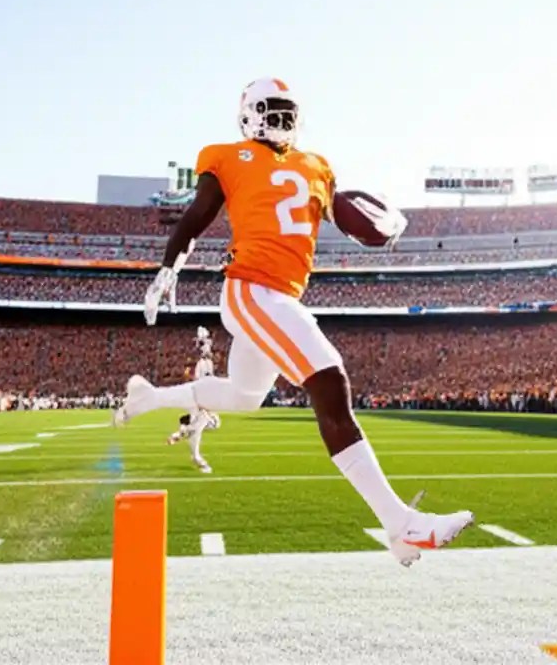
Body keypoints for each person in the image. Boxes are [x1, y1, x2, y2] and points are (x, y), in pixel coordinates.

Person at [113, 77, 473, 566]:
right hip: (251, 288)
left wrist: (388, 225)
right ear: (248, 113)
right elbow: (196, 216)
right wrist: (167, 268)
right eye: (271, 108)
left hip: (280, 295)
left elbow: (351, 219)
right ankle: (400, 525)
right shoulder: (227, 157)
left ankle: (150, 397)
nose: (282, 117)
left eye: (288, 109)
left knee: (245, 395)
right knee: (330, 381)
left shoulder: (317, 166)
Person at [168, 326, 220, 473]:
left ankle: (181, 434)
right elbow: (199, 382)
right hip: (199, 400)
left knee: (204, 425)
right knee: (201, 427)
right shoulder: (203, 364)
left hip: (201, 400)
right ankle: (194, 453)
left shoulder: (206, 363)